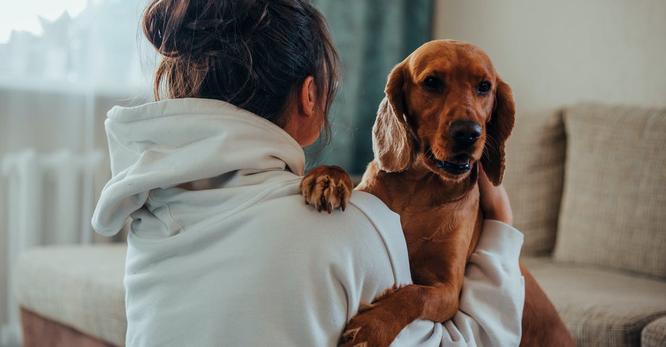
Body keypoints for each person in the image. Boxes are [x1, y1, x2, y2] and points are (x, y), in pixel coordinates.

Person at [91, 0, 524, 346]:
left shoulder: (148, 216)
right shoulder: (346, 230)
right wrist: (501, 229)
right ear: (310, 95)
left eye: (480, 90)